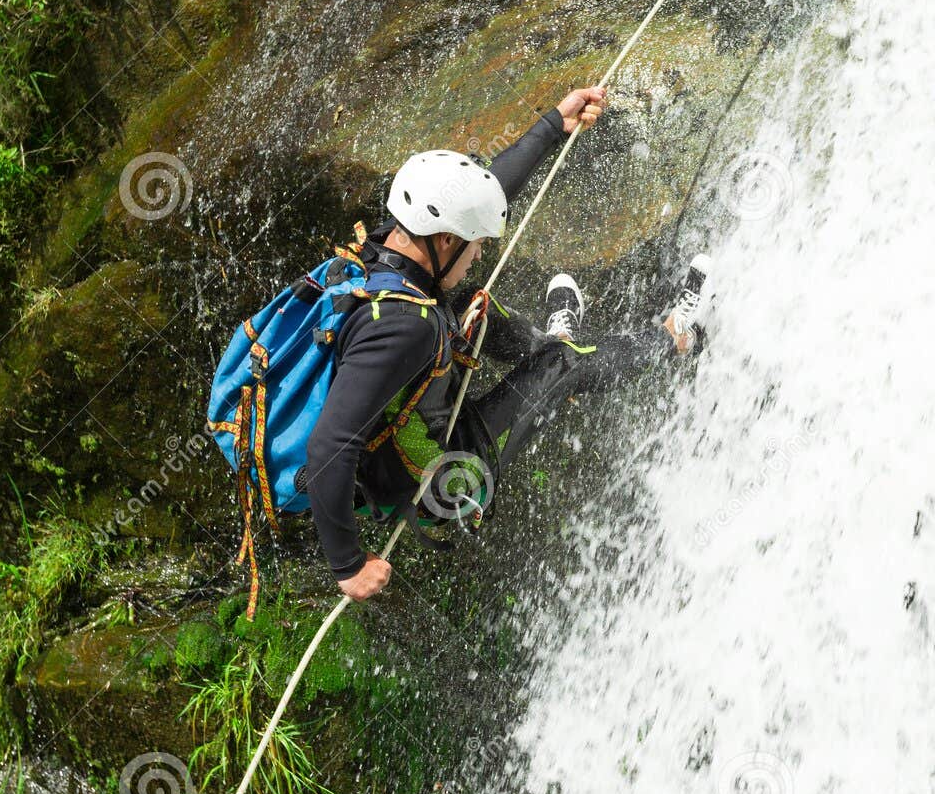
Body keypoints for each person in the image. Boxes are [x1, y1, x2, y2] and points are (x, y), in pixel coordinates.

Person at [305, 86, 712, 600]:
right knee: (560, 364)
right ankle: (676, 338)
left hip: (407, 432)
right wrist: (347, 564)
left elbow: (475, 195)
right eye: (475, 244)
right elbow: (328, 446)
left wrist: (552, 127)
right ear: (446, 240)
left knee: (472, 304)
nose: (479, 253)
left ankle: (553, 342)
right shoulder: (400, 327)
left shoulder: (390, 250)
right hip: (444, 475)